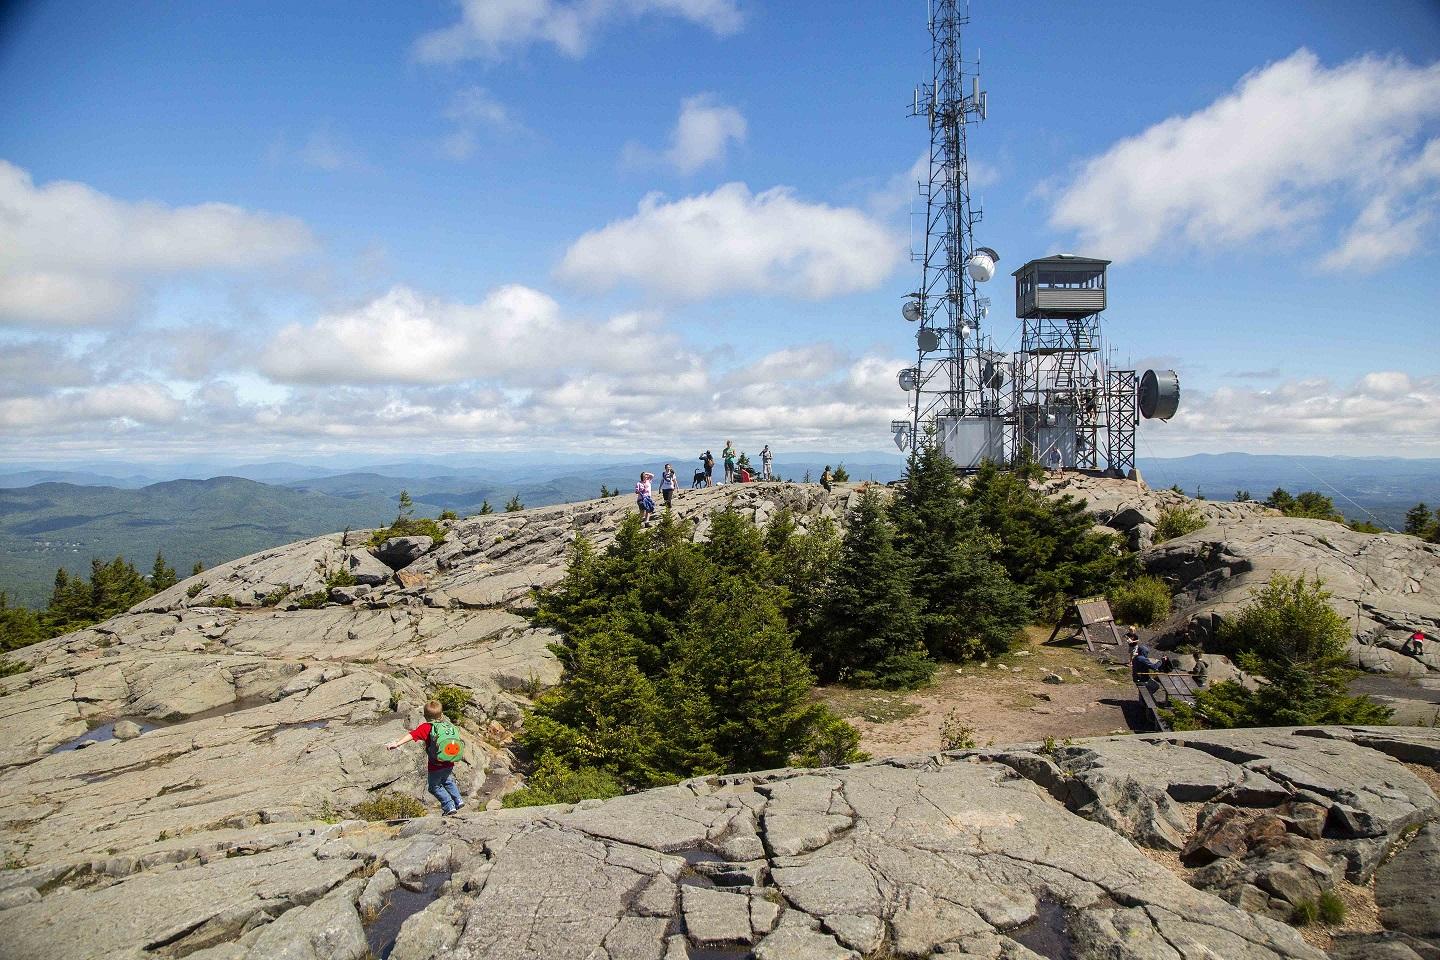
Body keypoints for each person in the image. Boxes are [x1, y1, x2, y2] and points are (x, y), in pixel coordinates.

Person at [385, 699, 465, 816]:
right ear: (441, 715)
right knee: (447, 781)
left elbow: (412, 735)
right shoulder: (448, 726)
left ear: (425, 716)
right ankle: (458, 800)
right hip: (449, 762)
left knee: (434, 787)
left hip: (435, 765)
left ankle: (449, 806)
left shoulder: (426, 727)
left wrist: (397, 744)